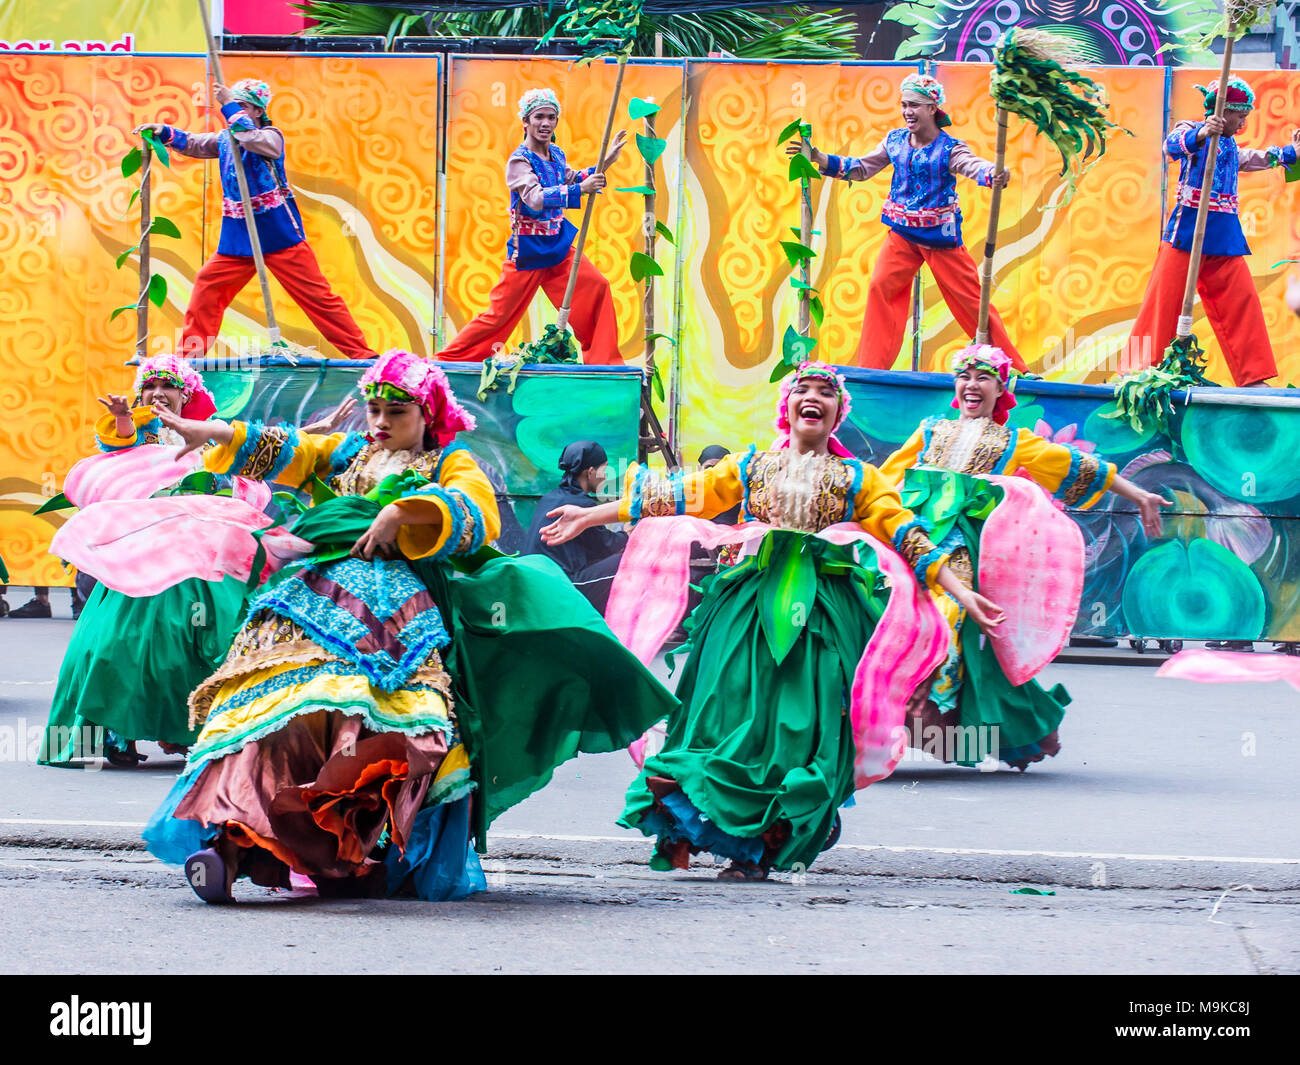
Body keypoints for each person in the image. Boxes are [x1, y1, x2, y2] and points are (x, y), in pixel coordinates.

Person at [143, 349, 676, 903]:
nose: (378, 423)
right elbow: (291, 448)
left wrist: (404, 512)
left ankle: (359, 848)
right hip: (308, 605)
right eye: (373, 409)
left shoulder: (451, 463)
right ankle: (230, 845)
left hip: (398, 623)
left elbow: (477, 513)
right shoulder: (351, 454)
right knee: (269, 713)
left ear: (428, 415)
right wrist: (209, 429)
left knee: (381, 729)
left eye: (395, 413)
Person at [541, 361, 1005, 880]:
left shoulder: (858, 479)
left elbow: (911, 538)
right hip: (744, 611)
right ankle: (699, 822)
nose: (813, 397)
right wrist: (591, 514)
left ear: (837, 413)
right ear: (786, 408)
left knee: (799, 729)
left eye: (825, 392)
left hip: (823, 621)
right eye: (802, 389)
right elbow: (673, 495)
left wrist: (964, 593)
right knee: (721, 719)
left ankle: (760, 847)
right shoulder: (751, 467)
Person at [877, 345, 1171, 768]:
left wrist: (1140, 494)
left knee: (949, 618)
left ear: (1001, 389)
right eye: (964, 376)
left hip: (965, 551)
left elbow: (1079, 466)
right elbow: (884, 481)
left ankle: (931, 717)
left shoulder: (1015, 442)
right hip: (911, 539)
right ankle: (868, 715)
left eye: (983, 377)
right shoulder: (929, 431)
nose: (971, 385)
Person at [38, 355, 250, 768]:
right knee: (119, 645)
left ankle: (191, 730)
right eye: (149, 386)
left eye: (167, 386)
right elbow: (121, 441)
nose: (157, 393)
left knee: (201, 640)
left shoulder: (206, 435)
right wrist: (122, 419)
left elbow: (239, 464)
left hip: (200, 556)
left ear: (184, 394)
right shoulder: (144, 432)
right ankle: (118, 733)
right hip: (140, 557)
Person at [793, 73, 1024, 372]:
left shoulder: (949, 148)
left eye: (914, 105)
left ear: (932, 109)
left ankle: (1014, 367)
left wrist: (993, 173)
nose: (907, 111)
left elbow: (972, 164)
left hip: (940, 239)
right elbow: (862, 168)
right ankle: (873, 371)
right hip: (901, 234)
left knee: (972, 301)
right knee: (880, 288)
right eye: (904, 105)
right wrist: (818, 158)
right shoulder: (895, 141)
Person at [134, 79, 377, 360]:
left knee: (318, 298)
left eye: (243, 107)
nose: (234, 112)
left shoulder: (271, 136)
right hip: (239, 238)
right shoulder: (225, 138)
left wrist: (228, 104)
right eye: (234, 106)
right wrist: (164, 132)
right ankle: (187, 361)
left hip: (277, 234)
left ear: (259, 112)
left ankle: (363, 356)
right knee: (207, 286)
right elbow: (195, 143)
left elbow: (252, 138)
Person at [1126, 76, 1300, 387]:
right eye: (1240, 117)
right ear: (1224, 111)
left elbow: (1249, 159)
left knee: (1241, 302)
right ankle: (1137, 369)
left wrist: (1289, 154)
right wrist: (1204, 132)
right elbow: (1171, 147)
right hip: (1186, 233)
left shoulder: (1230, 145)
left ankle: (1253, 377)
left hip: (1223, 235)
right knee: (1162, 303)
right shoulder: (1192, 131)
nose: (1243, 124)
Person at [438, 88, 626, 364]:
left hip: (558, 246)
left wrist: (605, 162)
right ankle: (447, 363)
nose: (545, 123)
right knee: (498, 317)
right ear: (525, 121)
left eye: (551, 117)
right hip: (528, 251)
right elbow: (535, 199)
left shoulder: (557, 154)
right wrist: (579, 189)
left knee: (597, 286)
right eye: (539, 117)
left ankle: (604, 363)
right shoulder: (519, 161)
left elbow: (574, 177)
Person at [523, 440, 627, 613]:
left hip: (536, 586)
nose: (606, 475)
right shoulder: (580, 504)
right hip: (561, 588)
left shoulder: (550, 498)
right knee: (626, 560)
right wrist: (628, 534)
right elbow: (608, 546)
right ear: (591, 472)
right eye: (604, 469)